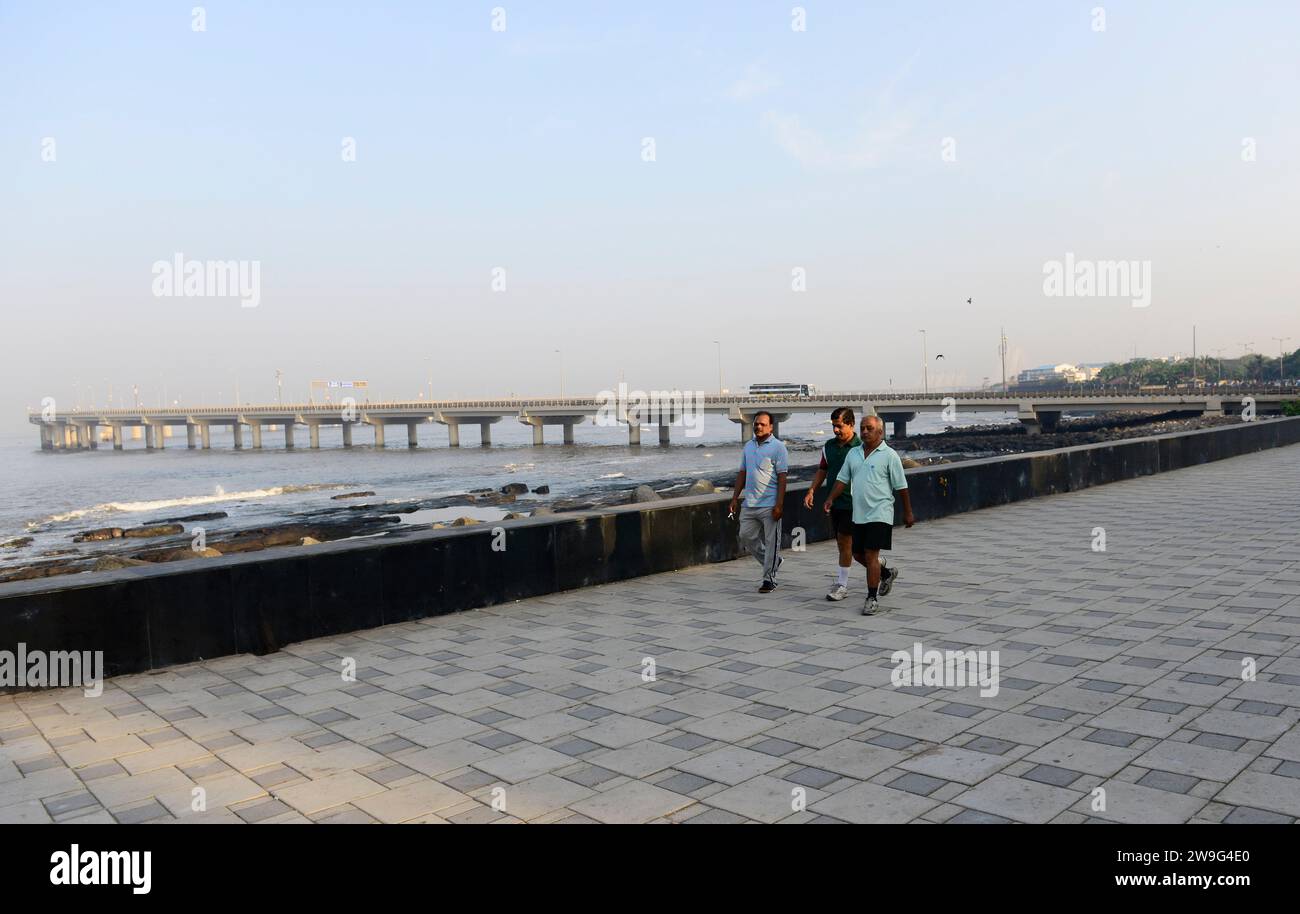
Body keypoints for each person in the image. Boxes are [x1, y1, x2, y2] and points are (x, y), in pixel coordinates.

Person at [825, 414, 914, 615]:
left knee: (871, 555)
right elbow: (842, 479)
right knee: (858, 554)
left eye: (870, 428)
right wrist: (830, 498)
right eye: (863, 428)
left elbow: (902, 487)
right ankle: (886, 573)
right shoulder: (853, 454)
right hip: (859, 514)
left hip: (880, 513)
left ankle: (871, 598)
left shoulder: (889, 455)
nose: (865, 432)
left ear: (880, 432)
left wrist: (908, 512)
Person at [728, 411, 788, 592]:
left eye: (762, 424)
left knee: (772, 543)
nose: (758, 426)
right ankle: (773, 561)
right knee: (746, 536)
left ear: (770, 427)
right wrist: (735, 498)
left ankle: (769, 579)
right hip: (749, 503)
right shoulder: (748, 446)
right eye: (756, 424)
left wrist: (779, 504)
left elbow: (783, 477)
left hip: (770, 504)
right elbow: (742, 473)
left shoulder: (778, 447)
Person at [803, 407, 859, 601]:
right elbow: (822, 470)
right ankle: (883, 570)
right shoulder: (828, 446)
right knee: (852, 549)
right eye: (834, 426)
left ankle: (842, 586)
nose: (836, 430)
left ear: (851, 424)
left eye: (840, 426)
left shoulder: (861, 447)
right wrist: (812, 490)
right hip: (834, 503)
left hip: (857, 504)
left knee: (846, 544)